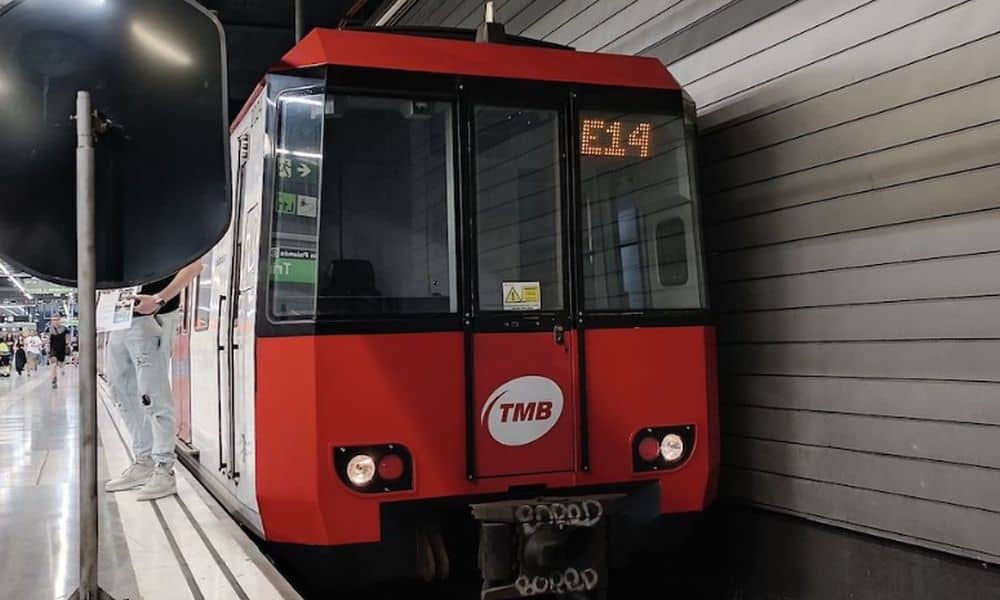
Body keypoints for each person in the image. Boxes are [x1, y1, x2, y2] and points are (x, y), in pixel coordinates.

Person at [104, 259, 202, 501]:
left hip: (154, 316)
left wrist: (159, 299)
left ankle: (164, 470)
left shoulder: (168, 223)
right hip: (121, 317)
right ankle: (144, 460)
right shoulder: (126, 229)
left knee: (153, 395)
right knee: (119, 389)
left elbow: (195, 266)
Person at [47, 315, 70, 388]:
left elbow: (68, 337)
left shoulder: (64, 329)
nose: (55, 321)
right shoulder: (49, 329)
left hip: (62, 349)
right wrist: (47, 349)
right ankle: (54, 379)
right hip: (53, 349)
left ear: (60, 320)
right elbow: (47, 339)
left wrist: (68, 345)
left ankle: (62, 367)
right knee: (53, 364)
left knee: (60, 364)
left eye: (57, 320)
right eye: (53, 320)